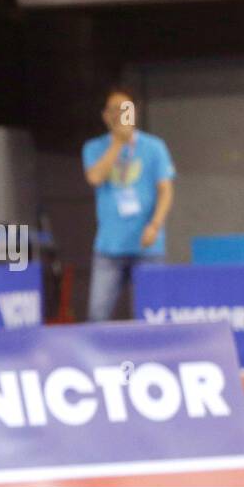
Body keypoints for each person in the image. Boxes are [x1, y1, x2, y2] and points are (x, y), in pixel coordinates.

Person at [83, 88, 175, 323]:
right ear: (105, 116)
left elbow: (165, 190)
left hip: (147, 247)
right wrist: (117, 144)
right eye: (113, 110)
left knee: (152, 316)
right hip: (109, 248)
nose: (118, 114)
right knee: (97, 314)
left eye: (124, 109)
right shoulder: (93, 148)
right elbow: (94, 178)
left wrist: (155, 225)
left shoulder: (155, 147)